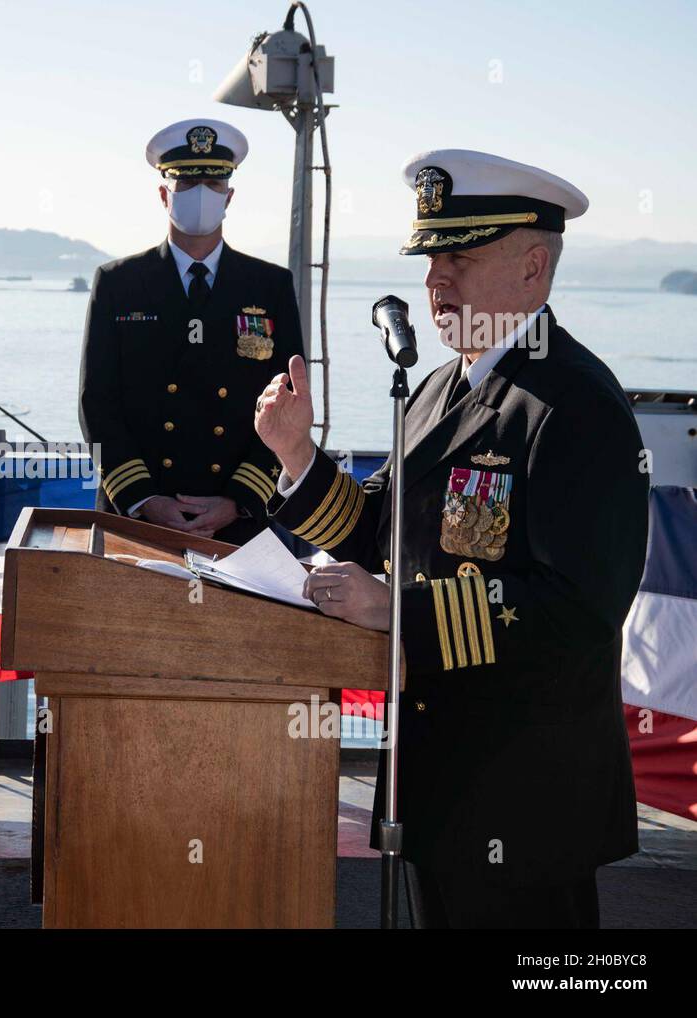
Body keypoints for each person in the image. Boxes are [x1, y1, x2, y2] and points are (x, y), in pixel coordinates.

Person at [253, 150, 647, 928]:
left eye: (460, 256)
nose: (436, 277)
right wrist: (297, 455)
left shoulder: (576, 405)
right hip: (437, 774)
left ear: (533, 268)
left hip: (526, 789)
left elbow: (578, 611)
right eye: (431, 256)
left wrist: (396, 610)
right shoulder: (439, 388)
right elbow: (377, 529)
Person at [78, 118, 303, 545]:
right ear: (165, 195)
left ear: (229, 197)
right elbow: (97, 402)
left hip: (236, 522)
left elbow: (287, 402)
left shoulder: (269, 286)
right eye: (187, 183)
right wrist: (142, 496)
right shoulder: (119, 283)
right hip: (139, 518)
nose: (201, 193)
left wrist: (239, 499)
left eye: (213, 183)